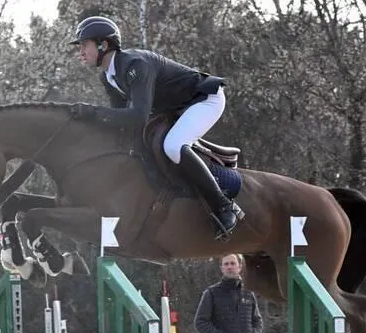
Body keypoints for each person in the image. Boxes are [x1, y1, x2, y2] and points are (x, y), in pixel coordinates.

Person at [68, 15, 244, 240]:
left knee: (173, 145)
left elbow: (137, 117)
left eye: (84, 46)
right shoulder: (109, 76)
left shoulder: (135, 65)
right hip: (178, 106)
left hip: (205, 100)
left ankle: (224, 207)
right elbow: (120, 120)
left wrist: (92, 112)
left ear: (103, 44)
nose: (81, 52)